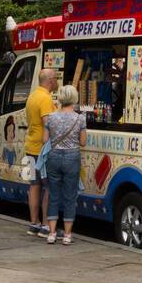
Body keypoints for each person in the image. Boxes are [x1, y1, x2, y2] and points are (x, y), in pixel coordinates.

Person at [41, 85, 86, 245]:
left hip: (53, 157)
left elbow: (45, 140)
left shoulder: (51, 118)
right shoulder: (80, 118)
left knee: (53, 195)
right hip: (72, 157)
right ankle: (67, 235)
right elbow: (83, 142)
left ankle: (52, 233)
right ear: (73, 98)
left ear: (60, 98)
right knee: (69, 197)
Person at [25, 68, 59, 235]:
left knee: (33, 185)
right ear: (50, 80)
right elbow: (48, 124)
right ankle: (46, 225)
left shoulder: (32, 96)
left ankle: (34, 223)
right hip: (42, 150)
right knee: (49, 187)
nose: (57, 81)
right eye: (56, 78)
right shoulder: (45, 99)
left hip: (29, 147)